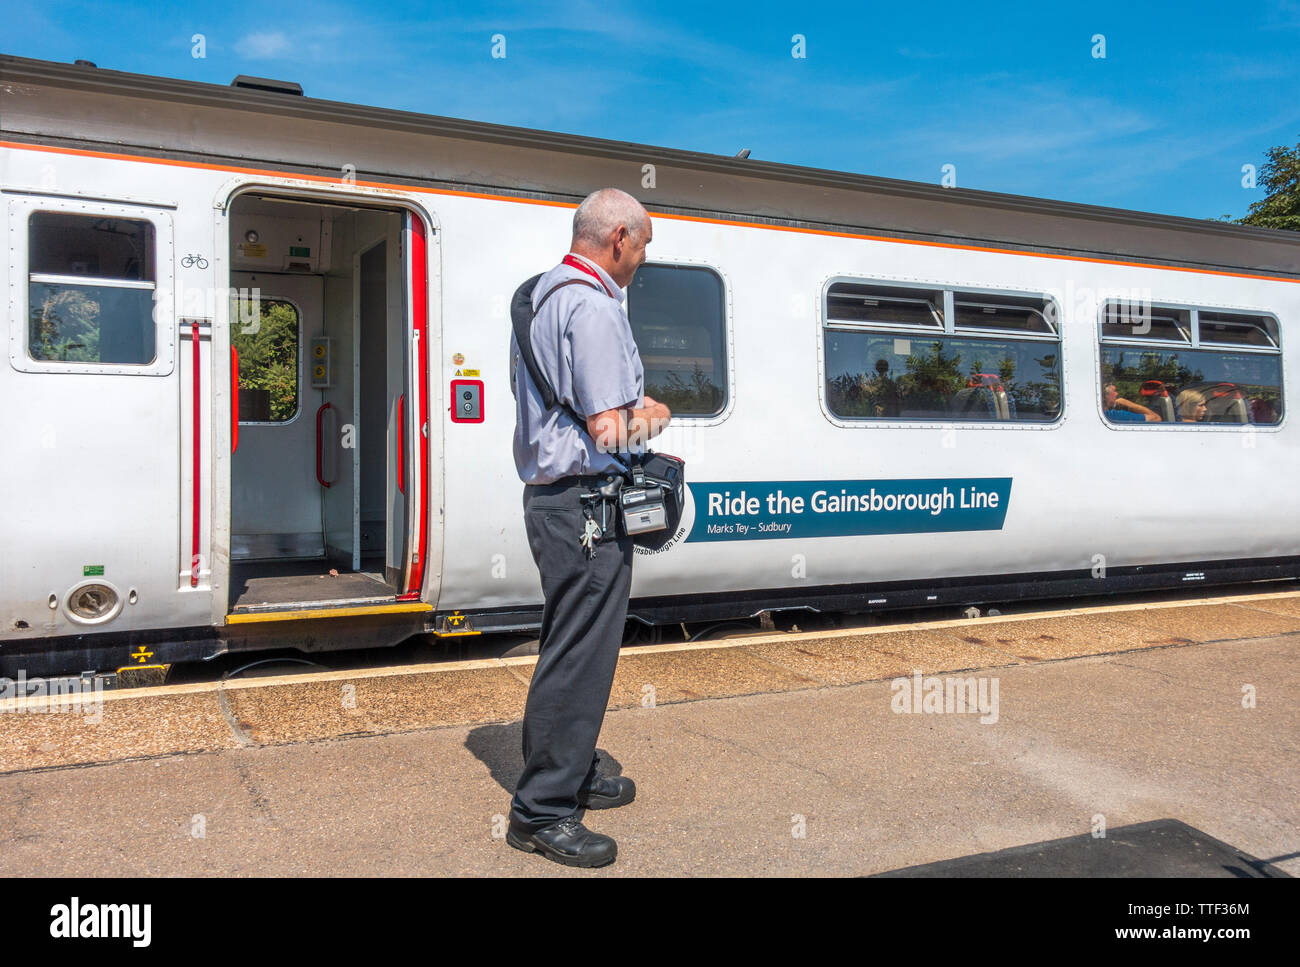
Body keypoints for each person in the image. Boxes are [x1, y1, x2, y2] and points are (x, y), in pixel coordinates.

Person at [506, 188, 671, 868]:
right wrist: (657, 414)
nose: (641, 260)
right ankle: (542, 810)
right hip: (587, 506)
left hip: (557, 503)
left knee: (567, 642)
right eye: (644, 246)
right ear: (620, 239)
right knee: (580, 653)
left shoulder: (543, 296)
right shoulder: (595, 307)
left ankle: (570, 767)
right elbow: (611, 427)